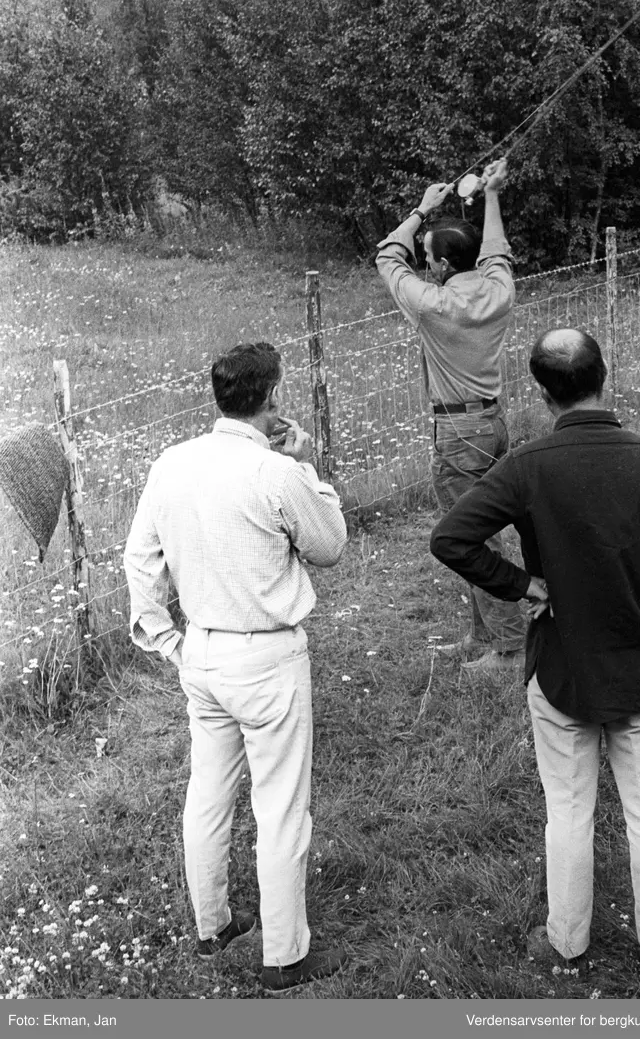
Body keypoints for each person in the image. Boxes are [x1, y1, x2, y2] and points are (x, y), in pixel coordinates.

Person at [429, 328, 640, 972]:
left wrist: (522, 586)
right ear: (605, 375)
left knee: (569, 811)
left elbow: (452, 537)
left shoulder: (528, 466)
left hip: (561, 669)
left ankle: (568, 942)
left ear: (542, 391)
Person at [123, 341, 349, 994]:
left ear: (217, 395)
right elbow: (329, 545)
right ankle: (282, 955)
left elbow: (141, 559)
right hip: (267, 652)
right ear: (272, 396)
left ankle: (212, 926)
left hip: (201, 649)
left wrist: (164, 638)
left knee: (209, 789)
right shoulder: (276, 472)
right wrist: (304, 463)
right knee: (280, 805)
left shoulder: (172, 462)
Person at [375, 157, 526, 674]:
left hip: (460, 435)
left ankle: (509, 648)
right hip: (493, 424)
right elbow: (497, 249)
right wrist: (492, 194)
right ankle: (482, 636)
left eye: (429, 258)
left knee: (473, 539)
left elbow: (387, 257)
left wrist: (421, 210)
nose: (424, 262)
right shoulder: (499, 290)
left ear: (441, 266)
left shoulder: (434, 305)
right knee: (473, 534)